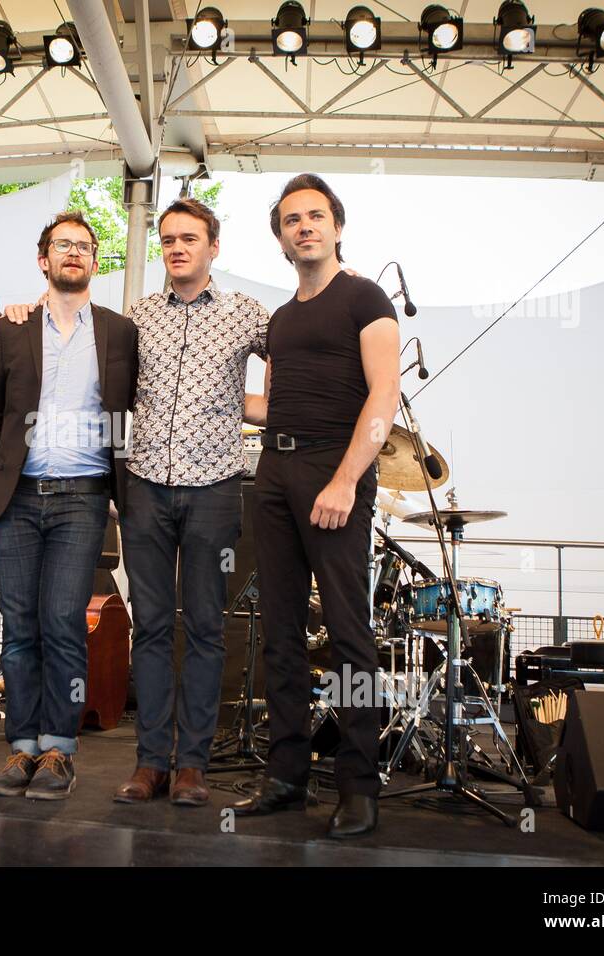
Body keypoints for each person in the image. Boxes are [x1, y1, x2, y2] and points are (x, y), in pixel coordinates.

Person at [0, 197, 269, 807]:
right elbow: (76, 352)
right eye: (168, 239)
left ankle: (193, 765)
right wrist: (22, 307)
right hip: (143, 486)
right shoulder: (136, 317)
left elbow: (290, 354)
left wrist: (259, 410)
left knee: (203, 627)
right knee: (149, 627)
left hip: (215, 488)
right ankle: (150, 764)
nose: (176, 247)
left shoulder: (246, 313)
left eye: (189, 239)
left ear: (213, 248)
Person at [232, 174, 400, 838]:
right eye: (292, 219)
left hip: (336, 470)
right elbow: (273, 404)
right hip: (273, 472)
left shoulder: (365, 296)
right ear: (280, 236)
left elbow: (382, 396)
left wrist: (347, 479)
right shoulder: (281, 318)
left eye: (316, 216)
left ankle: (360, 785)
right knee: (278, 633)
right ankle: (286, 775)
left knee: (350, 636)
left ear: (337, 226)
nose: (304, 226)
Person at [0, 211, 138, 800]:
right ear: (44, 259)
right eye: (62, 245)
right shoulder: (11, 330)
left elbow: (128, 416)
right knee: (18, 629)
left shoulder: (121, 332)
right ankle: (21, 749)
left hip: (83, 499)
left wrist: (125, 491)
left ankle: (59, 752)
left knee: (64, 624)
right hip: (15, 500)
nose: (74, 253)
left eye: (84, 246)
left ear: (95, 261)